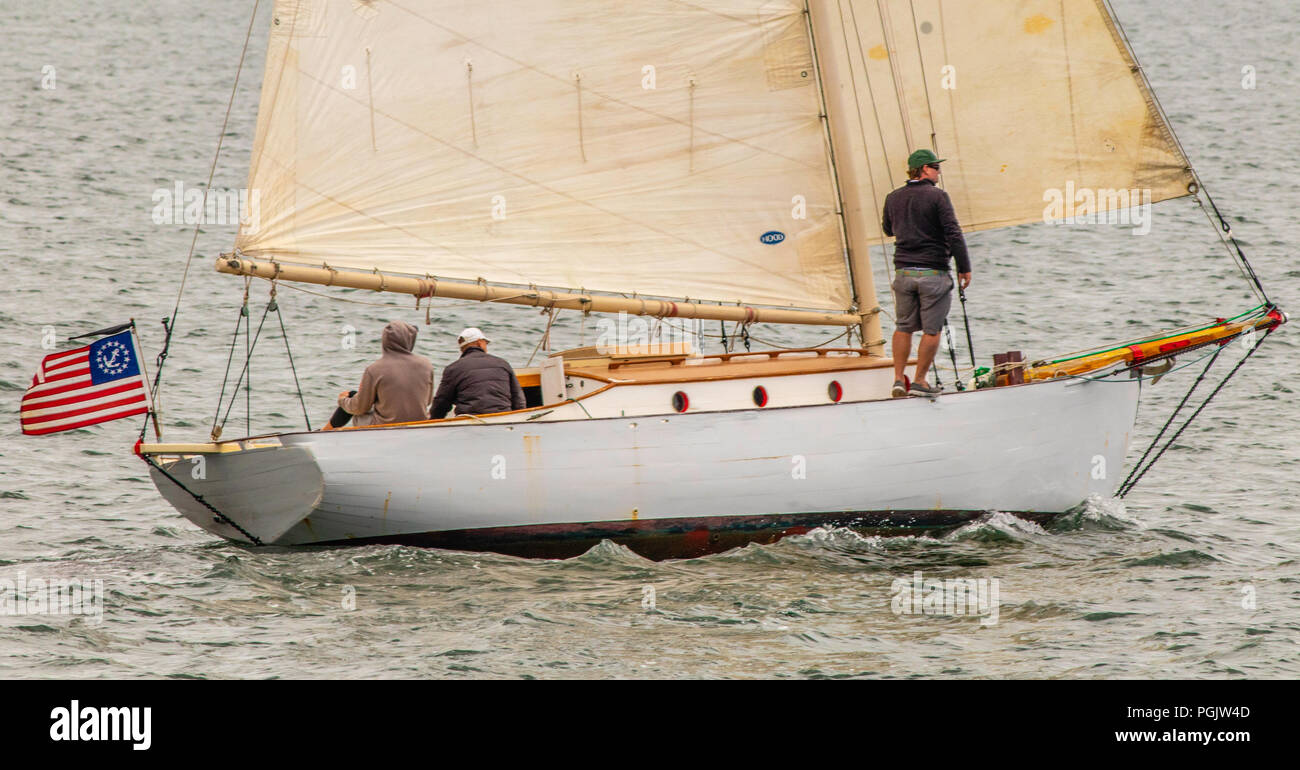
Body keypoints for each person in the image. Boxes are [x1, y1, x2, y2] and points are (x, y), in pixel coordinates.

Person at [881, 148, 972, 398]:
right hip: (933, 273)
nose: (939, 172)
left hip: (904, 273)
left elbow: (888, 229)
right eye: (936, 167)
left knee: (903, 327)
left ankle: (899, 379)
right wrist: (964, 267)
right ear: (923, 170)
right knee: (932, 330)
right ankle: (920, 380)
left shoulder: (893, 197)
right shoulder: (938, 197)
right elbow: (953, 232)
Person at [325, 320, 433, 429]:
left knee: (351, 398)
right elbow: (427, 401)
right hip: (420, 424)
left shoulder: (374, 369)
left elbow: (359, 407)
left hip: (384, 426)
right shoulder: (426, 365)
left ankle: (324, 432)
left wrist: (342, 400)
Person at [429, 327, 526, 419]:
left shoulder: (453, 368)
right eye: (486, 343)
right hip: (502, 418)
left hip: (470, 421)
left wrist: (433, 421)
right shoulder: (502, 363)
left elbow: (441, 403)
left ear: (462, 349)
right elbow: (518, 399)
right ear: (480, 343)